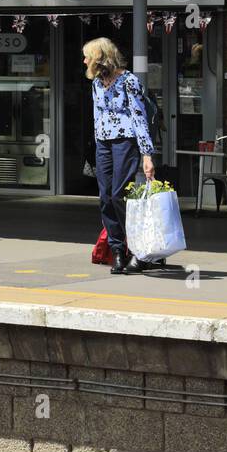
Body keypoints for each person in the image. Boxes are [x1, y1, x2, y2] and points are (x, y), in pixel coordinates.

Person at [86, 37, 156, 275]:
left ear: (100, 57)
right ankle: (117, 250)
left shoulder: (129, 81)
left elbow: (139, 116)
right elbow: (97, 115)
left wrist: (147, 153)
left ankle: (139, 249)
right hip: (103, 144)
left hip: (126, 142)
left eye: (88, 56)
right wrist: (96, 144)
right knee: (105, 197)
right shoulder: (96, 83)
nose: (84, 60)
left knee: (119, 195)